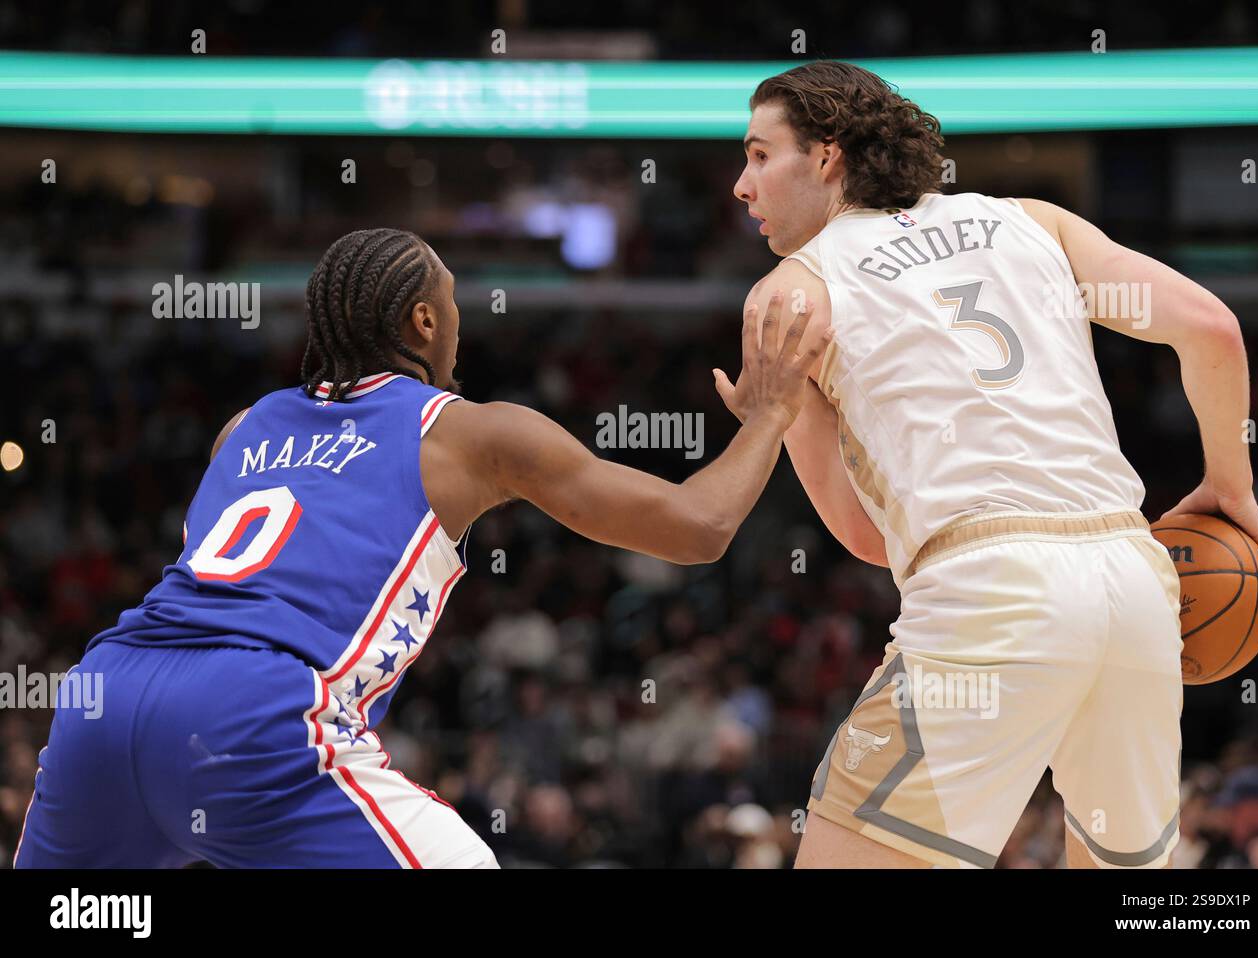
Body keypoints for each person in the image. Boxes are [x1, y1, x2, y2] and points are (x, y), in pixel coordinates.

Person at [14, 227, 826, 868]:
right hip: (253, 708)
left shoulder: (244, 426)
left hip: (104, 693)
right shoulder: (467, 431)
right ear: (426, 321)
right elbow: (698, 527)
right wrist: (770, 416)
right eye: (455, 315)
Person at [720, 61, 1258, 869]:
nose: (743, 185)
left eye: (758, 154)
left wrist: (772, 422)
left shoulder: (787, 298)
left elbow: (864, 536)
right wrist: (1230, 485)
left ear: (826, 156)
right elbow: (1213, 328)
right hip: (1134, 578)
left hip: (988, 589)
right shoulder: (1034, 220)